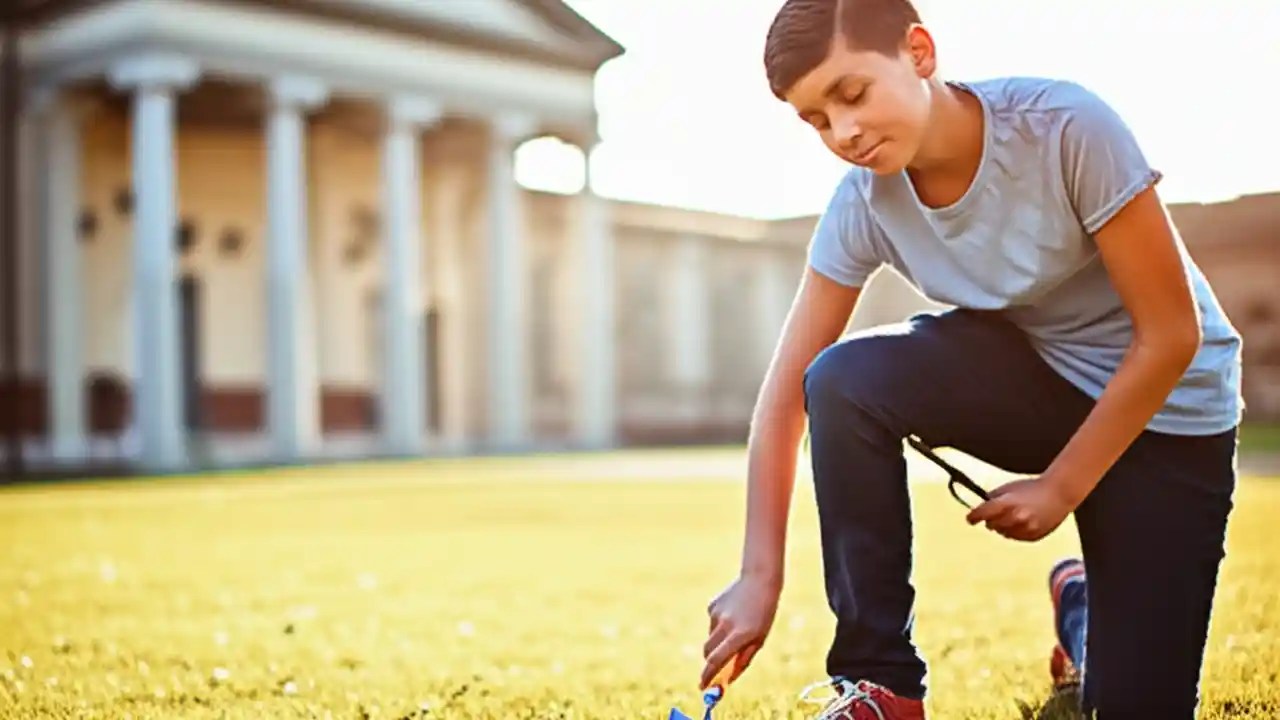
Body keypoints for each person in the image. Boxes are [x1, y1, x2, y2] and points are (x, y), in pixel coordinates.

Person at [698, 0, 1243, 718]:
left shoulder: (1066, 127)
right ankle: (880, 687)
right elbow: (787, 395)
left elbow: (1171, 334)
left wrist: (1061, 489)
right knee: (841, 380)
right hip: (1040, 384)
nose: (844, 132)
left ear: (920, 52)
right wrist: (757, 576)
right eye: (816, 120)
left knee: (1136, 705)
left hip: (1170, 413)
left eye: (852, 94)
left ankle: (1081, 604)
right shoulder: (862, 204)